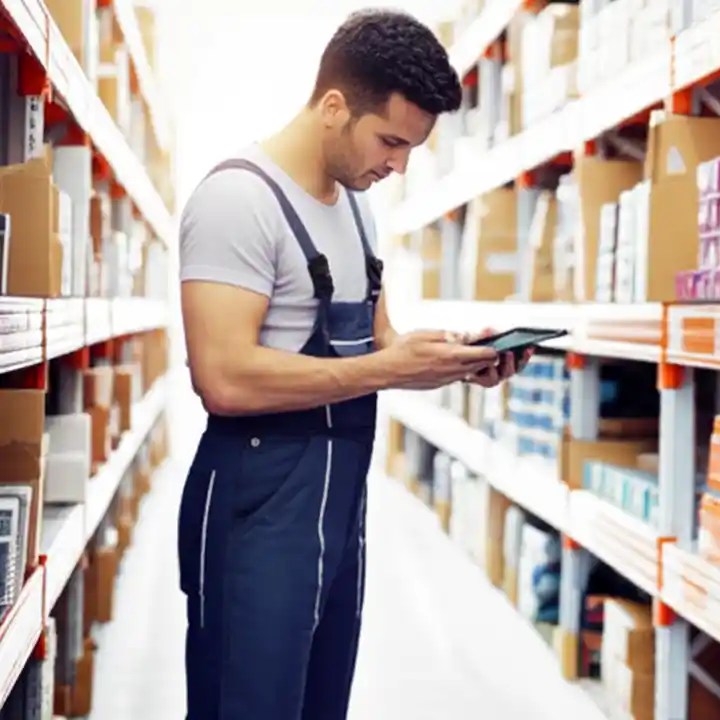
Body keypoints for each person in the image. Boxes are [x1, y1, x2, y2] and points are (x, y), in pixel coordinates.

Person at [176, 10, 521, 719]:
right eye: (390, 140)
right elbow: (224, 377)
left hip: (337, 509)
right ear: (335, 107)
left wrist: (453, 360)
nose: (397, 165)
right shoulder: (238, 201)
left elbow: (377, 341)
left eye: (411, 149)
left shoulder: (358, 210)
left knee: (318, 705)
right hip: (255, 505)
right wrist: (390, 371)